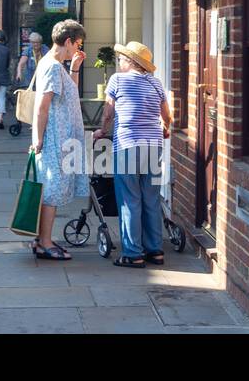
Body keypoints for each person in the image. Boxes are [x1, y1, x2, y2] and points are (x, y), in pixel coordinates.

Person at [95, 41, 171, 268]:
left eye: (121, 59)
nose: (119, 62)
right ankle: (155, 251)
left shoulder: (117, 80)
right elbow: (166, 115)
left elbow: (108, 112)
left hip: (128, 145)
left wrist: (102, 131)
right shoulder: (156, 83)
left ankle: (132, 253)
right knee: (151, 198)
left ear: (131, 62)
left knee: (129, 199)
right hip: (153, 146)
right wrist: (165, 129)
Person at [30, 19, 89, 260]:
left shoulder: (56, 65)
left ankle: (43, 239)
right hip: (54, 137)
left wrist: (75, 68)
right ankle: (44, 243)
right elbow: (42, 107)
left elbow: (69, 94)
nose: (78, 48)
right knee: (52, 191)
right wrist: (39, 139)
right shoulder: (53, 67)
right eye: (78, 44)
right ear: (68, 41)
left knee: (50, 190)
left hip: (59, 136)